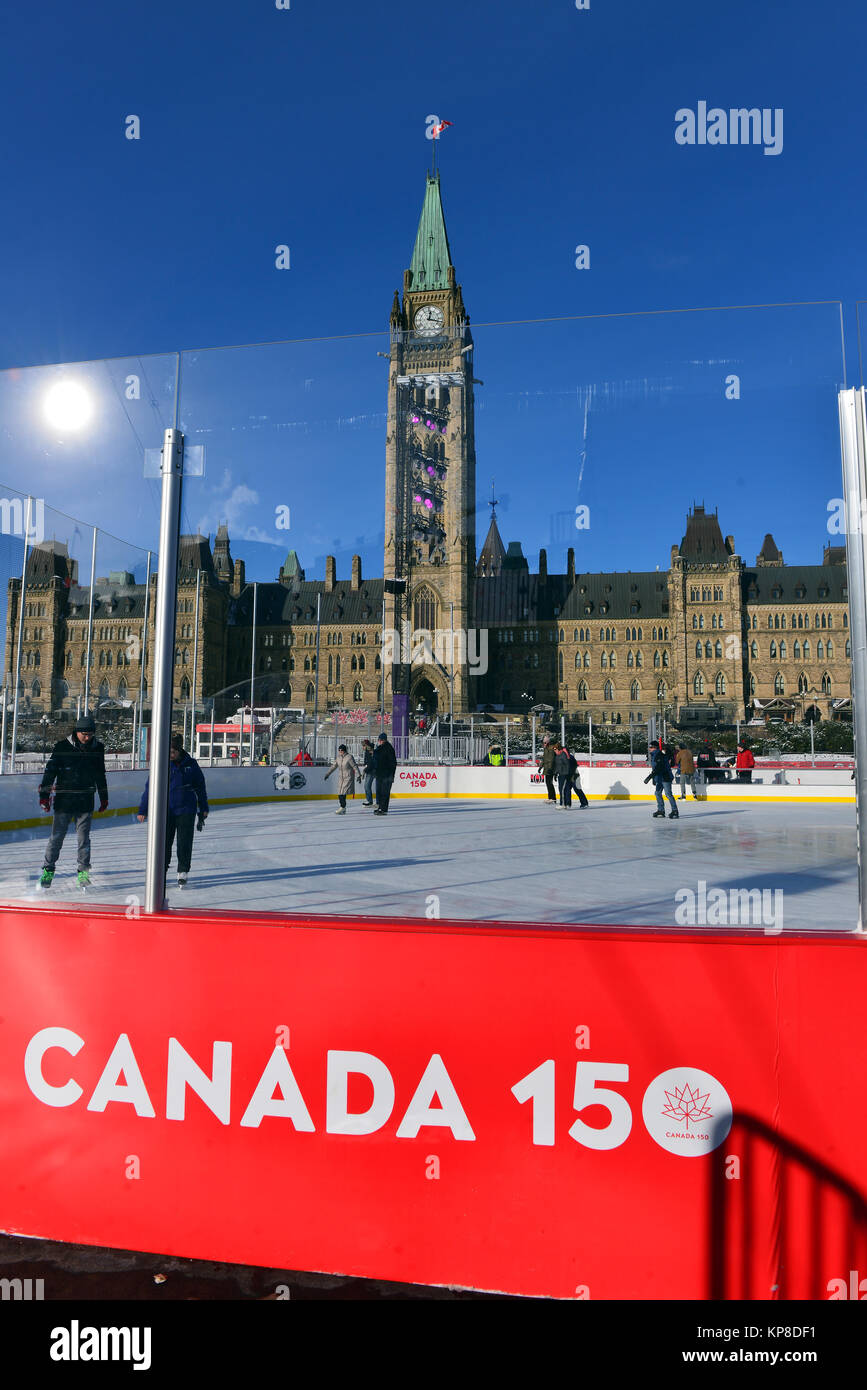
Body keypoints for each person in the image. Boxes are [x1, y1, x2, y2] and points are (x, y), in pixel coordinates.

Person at [38, 713, 108, 889]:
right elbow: (50, 773)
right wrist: (44, 797)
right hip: (64, 801)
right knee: (56, 838)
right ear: (77, 732)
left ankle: (83, 872)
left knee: (84, 839)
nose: (87, 737)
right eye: (84, 734)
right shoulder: (62, 746)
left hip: (85, 801)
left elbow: (101, 774)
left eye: (90, 734)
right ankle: (48, 870)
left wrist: (104, 797)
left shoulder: (97, 748)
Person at [137, 734, 209, 888]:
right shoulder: (160, 764)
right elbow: (149, 788)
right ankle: (161, 872)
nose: (170, 755)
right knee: (163, 843)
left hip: (186, 810)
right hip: (165, 810)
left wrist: (203, 807)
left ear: (179, 750)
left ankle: (183, 871)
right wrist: (143, 809)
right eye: (168, 751)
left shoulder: (191, 764)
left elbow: (200, 787)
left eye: (173, 752)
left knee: (184, 843)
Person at [324, 744, 362, 814]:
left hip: (348, 777)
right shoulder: (338, 758)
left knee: (343, 792)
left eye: (341, 750)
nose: (340, 751)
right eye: (339, 750)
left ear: (344, 750)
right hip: (341, 777)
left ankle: (342, 807)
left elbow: (354, 766)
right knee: (340, 792)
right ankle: (343, 807)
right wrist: (328, 774)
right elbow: (333, 766)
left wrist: (358, 775)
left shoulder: (349, 757)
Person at [645, 742, 678, 819]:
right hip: (659, 778)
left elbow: (659, 768)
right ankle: (661, 810)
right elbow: (656, 768)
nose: (649, 749)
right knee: (657, 793)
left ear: (655, 748)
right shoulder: (654, 755)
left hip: (665, 777)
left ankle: (675, 810)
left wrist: (650, 776)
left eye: (651, 747)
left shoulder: (659, 755)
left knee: (668, 794)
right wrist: (654, 778)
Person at [372, 732, 397, 815]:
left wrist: (391, 774)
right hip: (380, 774)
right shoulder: (380, 748)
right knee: (379, 792)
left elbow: (393, 763)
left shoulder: (388, 748)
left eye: (380, 740)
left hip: (386, 775)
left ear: (383, 740)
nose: (379, 741)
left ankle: (383, 809)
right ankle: (380, 807)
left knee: (384, 793)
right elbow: (376, 758)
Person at [539, 734, 557, 804]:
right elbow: (544, 759)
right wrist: (540, 767)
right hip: (546, 768)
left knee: (549, 783)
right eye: (544, 742)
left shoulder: (551, 748)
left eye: (545, 742)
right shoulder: (546, 749)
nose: (544, 744)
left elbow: (552, 759)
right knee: (548, 783)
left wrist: (550, 768)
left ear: (548, 742)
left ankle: (553, 798)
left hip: (550, 768)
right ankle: (550, 797)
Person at [554, 740, 572, 808]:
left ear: (559, 749)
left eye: (555, 749)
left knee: (562, 789)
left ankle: (563, 804)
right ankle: (566, 803)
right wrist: (555, 774)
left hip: (564, 774)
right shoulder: (557, 756)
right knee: (563, 789)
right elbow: (557, 766)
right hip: (560, 774)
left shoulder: (563, 755)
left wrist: (566, 774)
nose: (554, 751)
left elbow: (567, 764)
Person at [360, 739, 376, 807]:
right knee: (366, 786)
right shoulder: (367, 751)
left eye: (363, 745)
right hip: (369, 770)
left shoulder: (370, 751)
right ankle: (369, 800)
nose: (362, 747)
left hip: (371, 771)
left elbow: (371, 763)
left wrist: (365, 770)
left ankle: (369, 801)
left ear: (366, 746)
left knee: (367, 786)